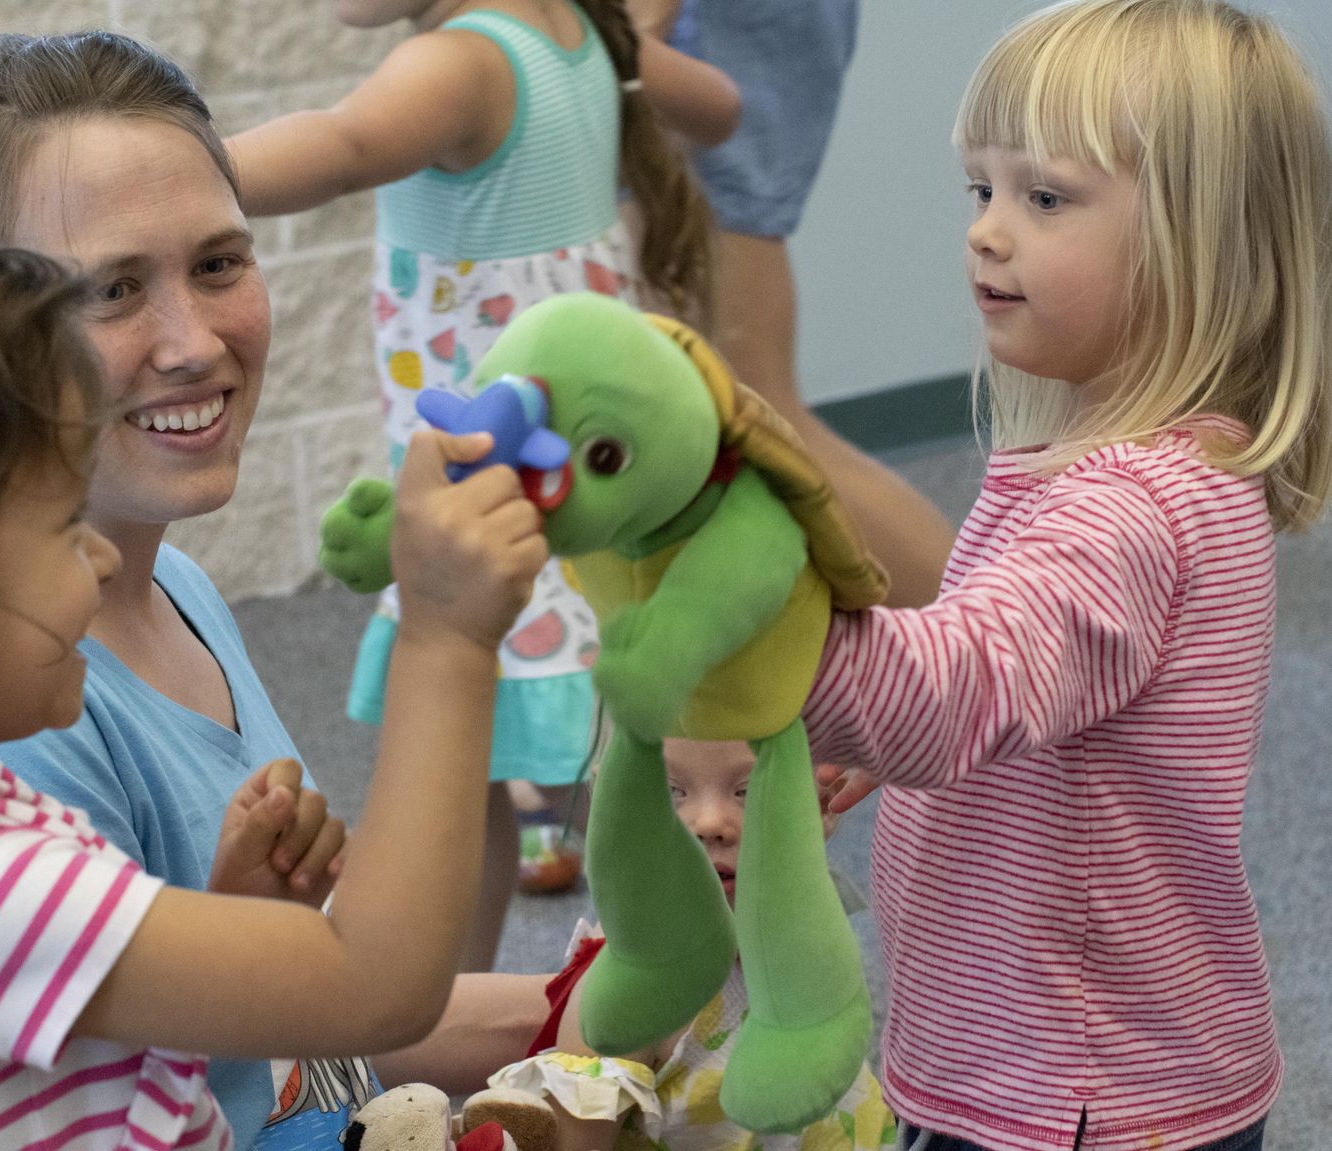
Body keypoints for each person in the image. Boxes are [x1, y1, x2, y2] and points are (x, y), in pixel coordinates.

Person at [0, 30, 551, 1146]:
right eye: (110, 288)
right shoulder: (3, 719)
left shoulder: (179, 583)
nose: (192, 341)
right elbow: (356, 986)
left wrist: (589, 1002)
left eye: (217, 263)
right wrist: (447, 634)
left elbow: (284, 1027)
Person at [800, 2, 1332, 1148]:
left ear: (1203, 238)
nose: (987, 232)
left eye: (1043, 197)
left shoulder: (1130, 508)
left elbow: (952, 692)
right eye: (980, 191)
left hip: (1072, 1087)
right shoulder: (1125, 474)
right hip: (1056, 1051)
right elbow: (1025, 695)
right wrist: (875, 733)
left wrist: (760, 622)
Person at [226, 0, 739, 970]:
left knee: (494, 772)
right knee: (548, 763)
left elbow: (338, 147)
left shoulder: (458, 64)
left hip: (503, 506)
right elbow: (721, 108)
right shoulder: (577, 30)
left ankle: (486, 996)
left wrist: (155, 176)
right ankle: (473, 1000)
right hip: (584, 497)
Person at [629, 0, 958, 611]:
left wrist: (636, 31)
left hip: (690, 36)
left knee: (747, 413)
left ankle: (992, 655)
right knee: (722, 414)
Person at [485, 739, 898, 1151]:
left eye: (749, 791)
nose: (709, 822)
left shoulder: (807, 925)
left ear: (823, 805)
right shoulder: (637, 986)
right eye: (668, 791)